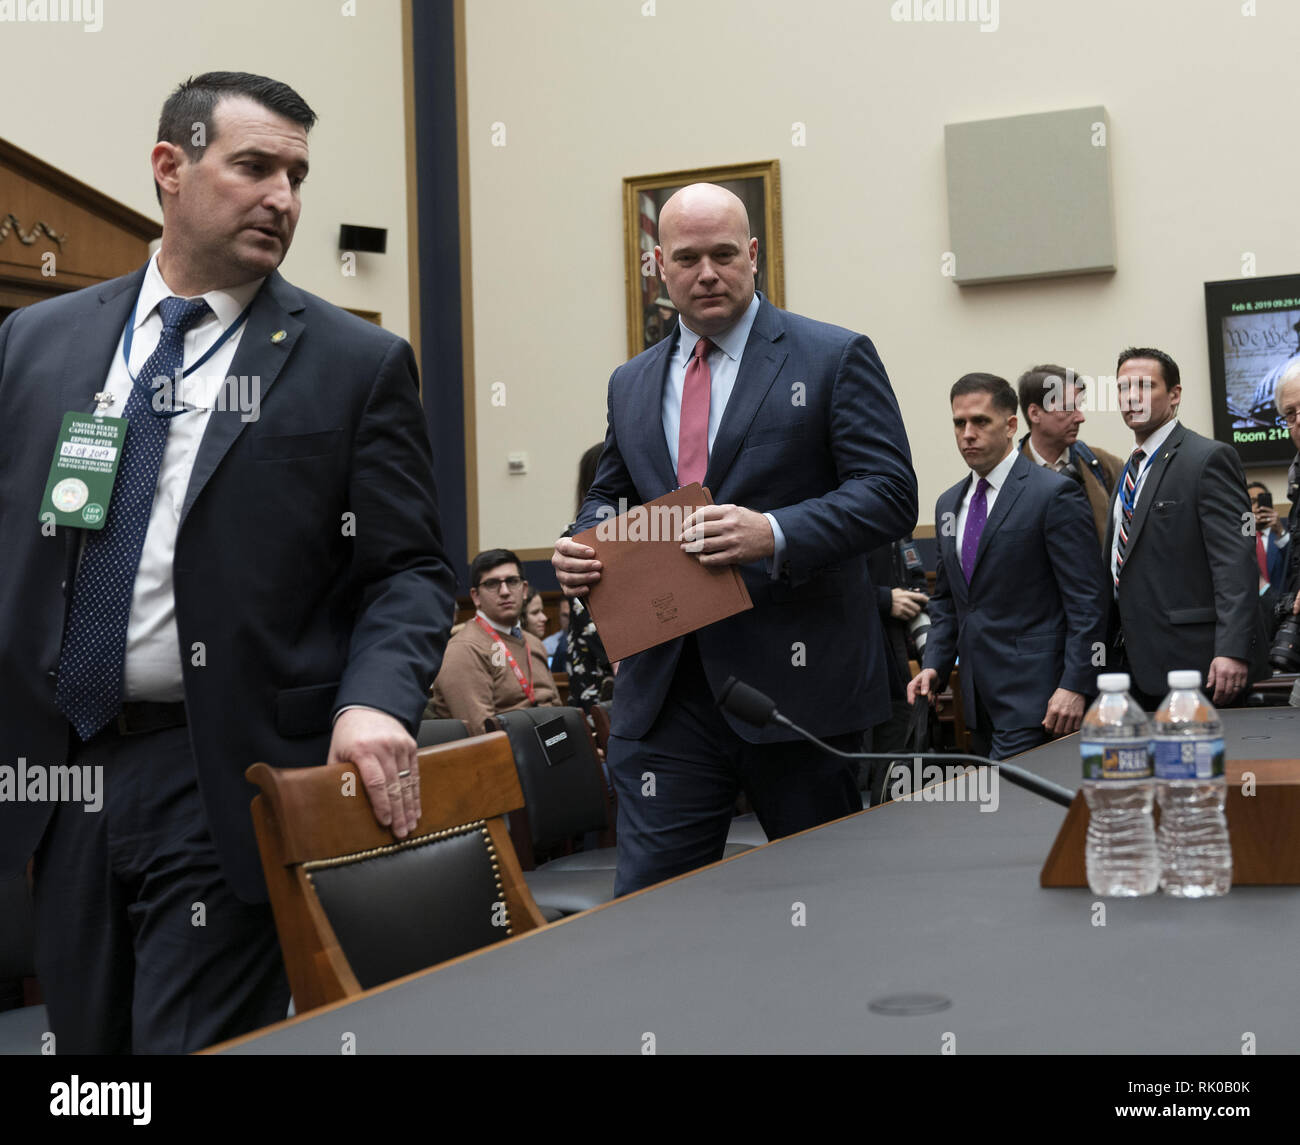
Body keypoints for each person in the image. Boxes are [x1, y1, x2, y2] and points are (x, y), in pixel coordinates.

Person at [0, 73, 456, 1053]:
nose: (283, 197)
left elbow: (409, 568)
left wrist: (375, 698)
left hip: (223, 768)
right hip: (60, 772)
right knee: (87, 1053)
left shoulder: (349, 361)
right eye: (254, 167)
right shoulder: (38, 342)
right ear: (171, 167)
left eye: (296, 174)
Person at [552, 183, 917, 896]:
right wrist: (582, 537)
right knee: (654, 916)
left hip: (796, 693)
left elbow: (890, 493)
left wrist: (773, 531)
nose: (708, 272)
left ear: (753, 255)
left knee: (828, 906)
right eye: (687, 258)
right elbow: (613, 488)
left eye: (724, 254)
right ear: (660, 266)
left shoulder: (833, 356)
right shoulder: (631, 381)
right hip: (665, 693)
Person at [908, 374, 1108, 760]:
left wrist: (1076, 685)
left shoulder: (1053, 493)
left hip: (1042, 701)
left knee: (1024, 810)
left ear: (1011, 425)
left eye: (980, 422)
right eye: (959, 423)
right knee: (1002, 816)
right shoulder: (949, 503)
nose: (967, 434)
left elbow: (1088, 602)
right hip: (978, 704)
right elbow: (949, 602)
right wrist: (933, 665)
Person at [1106, 347, 1266, 708]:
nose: (1130, 397)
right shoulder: (1130, 470)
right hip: (1133, 663)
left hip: (1199, 663)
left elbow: (1234, 563)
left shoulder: (1207, 458)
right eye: (1122, 387)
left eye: (1144, 386)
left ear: (1175, 395)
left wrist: (1233, 650)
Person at [428, 549, 560, 734]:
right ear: (475, 597)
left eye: (512, 581)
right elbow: (483, 733)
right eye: (492, 584)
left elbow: (557, 708)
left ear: (523, 590)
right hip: (506, 756)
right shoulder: (463, 650)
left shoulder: (534, 642)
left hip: (551, 746)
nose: (505, 592)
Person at [1015, 363, 1121, 547]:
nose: (1080, 417)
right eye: (1069, 408)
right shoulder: (1006, 476)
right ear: (1035, 413)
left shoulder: (1105, 466)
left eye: (1079, 407)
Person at [1246, 481, 1287, 591]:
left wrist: (1280, 533)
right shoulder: (1240, 533)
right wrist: (1249, 525)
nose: (1258, 507)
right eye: (1252, 502)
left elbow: (1293, 561)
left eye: (1261, 501)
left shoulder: (1285, 528)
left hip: (1281, 603)